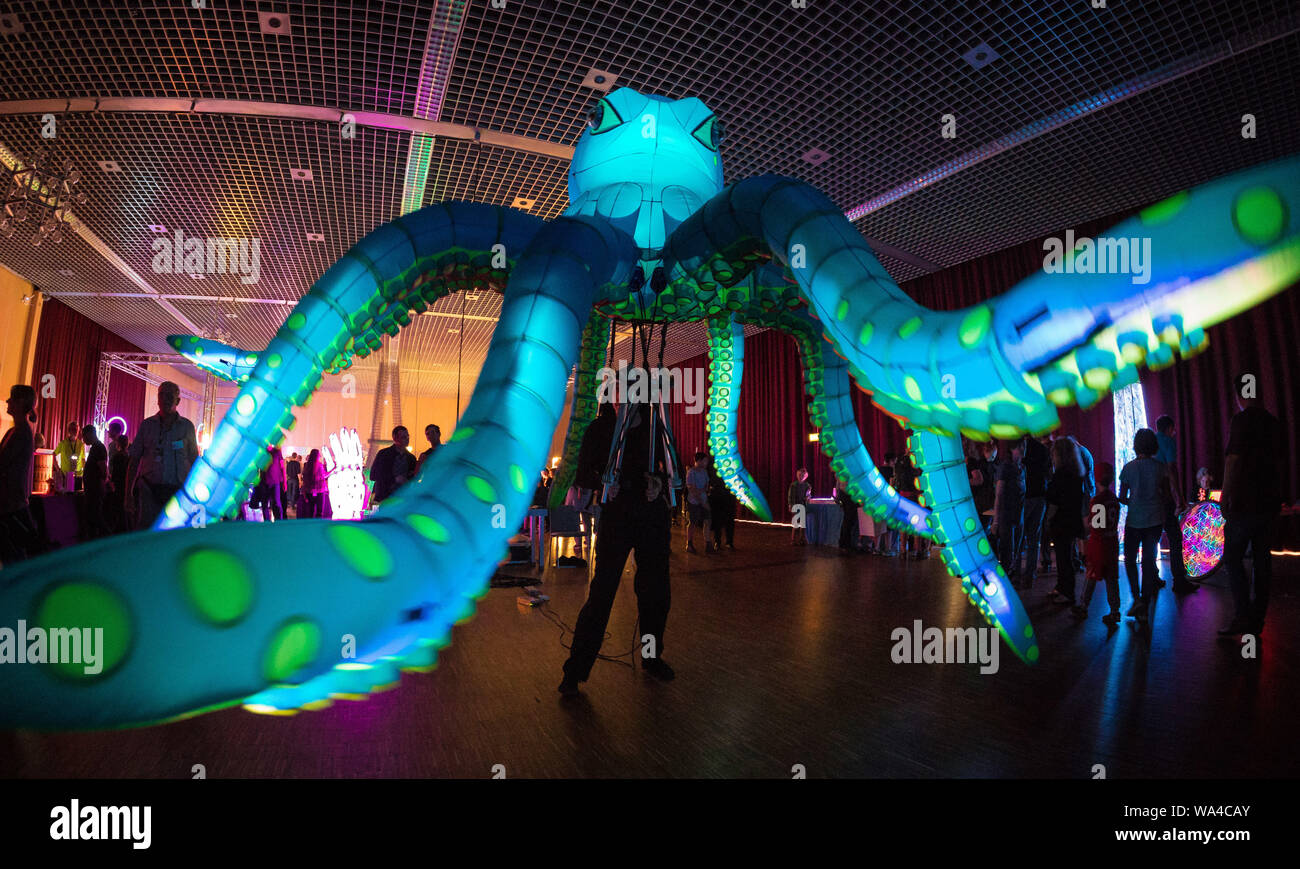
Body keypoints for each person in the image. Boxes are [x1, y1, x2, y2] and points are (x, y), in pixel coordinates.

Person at [560, 400, 673, 696]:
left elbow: (671, 468)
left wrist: (658, 484)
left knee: (655, 593)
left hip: (651, 517)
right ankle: (575, 670)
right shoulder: (602, 429)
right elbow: (584, 473)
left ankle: (651, 656)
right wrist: (606, 480)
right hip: (618, 516)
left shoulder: (655, 428)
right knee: (602, 593)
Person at [1218, 375, 1284, 637]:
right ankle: (1257, 621)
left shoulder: (1241, 420)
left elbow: (1233, 460)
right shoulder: (1273, 422)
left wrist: (1225, 495)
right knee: (1262, 560)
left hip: (1245, 502)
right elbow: (1279, 463)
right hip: (1269, 501)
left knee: (1232, 557)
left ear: (1238, 396)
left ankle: (1242, 615)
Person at [127, 382, 199, 529]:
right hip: (149, 493)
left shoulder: (187, 427)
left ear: (177, 401)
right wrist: (127, 494)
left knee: (174, 535)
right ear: (157, 398)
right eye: (161, 395)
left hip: (177, 493)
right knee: (148, 535)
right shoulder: (147, 426)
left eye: (169, 396)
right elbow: (134, 461)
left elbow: (194, 461)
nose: (165, 399)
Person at [1118, 428, 1167, 624]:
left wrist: (1133, 502)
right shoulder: (1160, 467)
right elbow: (1165, 494)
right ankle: (1145, 603)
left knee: (1130, 559)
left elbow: (1122, 497)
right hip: (1154, 520)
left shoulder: (1128, 468)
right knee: (1148, 562)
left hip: (1134, 521)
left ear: (1136, 445)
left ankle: (1136, 598)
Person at [1076, 462, 1122, 624]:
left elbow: (1095, 526)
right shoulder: (1114, 500)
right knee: (1112, 578)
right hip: (1112, 544)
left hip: (1099, 544)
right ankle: (1115, 610)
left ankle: (1083, 606)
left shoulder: (1097, 501)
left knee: (1091, 575)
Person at [1154, 415, 1195, 594]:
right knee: (1175, 538)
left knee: (1152, 537)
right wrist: (1179, 497)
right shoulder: (1168, 442)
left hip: (1152, 498)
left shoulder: (1151, 441)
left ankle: (1152, 578)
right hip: (1165, 497)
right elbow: (1172, 469)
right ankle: (1179, 580)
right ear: (1170, 427)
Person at [1045, 437, 1086, 605]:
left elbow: (1054, 501)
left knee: (1063, 558)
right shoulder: (1077, 473)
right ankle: (1062, 587)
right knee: (1066, 556)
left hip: (1061, 521)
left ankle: (1067, 592)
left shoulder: (1060, 475)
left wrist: (1048, 519)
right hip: (1072, 519)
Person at [0, 385, 38, 565]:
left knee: (14, 557)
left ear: (21, 402)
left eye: (12, 398)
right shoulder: (16, 431)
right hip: (10, 501)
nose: (7, 401)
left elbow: (4, 464)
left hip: (11, 502)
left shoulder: (21, 432)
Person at [1018, 433, 1051, 590]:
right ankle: (1030, 575)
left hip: (1025, 496)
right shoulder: (1043, 450)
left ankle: (1016, 572)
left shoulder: (1020, 447)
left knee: (1019, 536)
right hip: (1040, 495)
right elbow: (1048, 473)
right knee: (1034, 538)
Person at [990, 440, 1025, 583]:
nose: (1023, 449)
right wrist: (996, 521)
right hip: (1006, 516)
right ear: (1013, 449)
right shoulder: (1005, 467)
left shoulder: (1022, 468)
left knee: (1015, 550)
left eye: (1024, 446)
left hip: (1018, 515)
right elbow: (999, 495)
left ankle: (1010, 578)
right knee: (1007, 553)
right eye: (1020, 447)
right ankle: (1005, 582)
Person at [369, 425, 416, 503]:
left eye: (407, 436)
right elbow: (374, 475)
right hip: (386, 497)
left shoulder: (411, 458)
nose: (407, 439)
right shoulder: (384, 454)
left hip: (402, 498)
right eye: (403, 437)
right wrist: (395, 479)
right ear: (395, 438)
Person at [80, 424, 110, 539]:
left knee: (95, 516)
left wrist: (102, 481)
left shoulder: (98, 447)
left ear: (90, 434)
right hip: (93, 488)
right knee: (93, 517)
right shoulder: (96, 447)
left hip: (95, 489)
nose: (83, 439)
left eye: (84, 436)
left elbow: (103, 469)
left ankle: (107, 537)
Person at [684, 452, 713, 554]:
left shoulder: (704, 472)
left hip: (704, 500)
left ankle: (708, 543)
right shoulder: (691, 472)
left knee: (707, 520)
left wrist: (704, 491)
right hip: (694, 502)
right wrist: (702, 501)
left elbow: (706, 485)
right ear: (699, 461)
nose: (706, 463)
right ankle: (689, 544)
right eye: (705, 461)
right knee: (692, 523)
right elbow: (692, 490)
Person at [103, 421, 127, 533]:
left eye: (110, 430)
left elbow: (113, 465)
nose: (108, 432)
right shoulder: (113, 445)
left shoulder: (114, 447)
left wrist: (110, 479)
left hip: (116, 481)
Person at [707, 465, 737, 550]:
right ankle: (718, 542)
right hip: (717, 495)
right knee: (718, 520)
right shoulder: (713, 464)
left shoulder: (731, 464)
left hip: (728, 495)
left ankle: (729, 542)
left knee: (729, 520)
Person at [875, 452, 898, 556]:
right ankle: (888, 549)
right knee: (889, 526)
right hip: (889, 500)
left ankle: (876, 548)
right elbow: (892, 485)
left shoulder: (878, 469)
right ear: (892, 461)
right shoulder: (892, 471)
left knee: (879, 526)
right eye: (895, 461)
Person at [53, 421, 82, 492]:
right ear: (69, 430)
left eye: (76, 430)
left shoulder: (81, 444)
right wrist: (58, 469)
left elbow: (83, 459)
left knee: (76, 497)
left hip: (77, 475)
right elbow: (53, 454)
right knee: (65, 496)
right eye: (73, 429)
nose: (75, 431)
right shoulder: (63, 443)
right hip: (65, 475)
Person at [261, 445, 287, 521]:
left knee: (276, 503)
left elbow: (282, 468)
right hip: (264, 481)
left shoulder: (277, 452)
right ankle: (267, 522)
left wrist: (284, 481)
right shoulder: (262, 451)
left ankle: (279, 522)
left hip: (275, 481)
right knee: (265, 504)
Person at [300, 448, 326, 518]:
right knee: (319, 511)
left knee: (310, 510)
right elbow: (323, 476)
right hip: (319, 490)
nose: (320, 455)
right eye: (319, 454)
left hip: (309, 491)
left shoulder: (307, 465)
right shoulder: (319, 465)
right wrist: (333, 471)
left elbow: (304, 478)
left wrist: (304, 492)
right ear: (317, 455)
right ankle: (317, 526)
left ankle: (310, 526)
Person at [787, 468, 811, 546]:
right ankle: (793, 539)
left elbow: (808, 495)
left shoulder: (807, 485)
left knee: (802, 523)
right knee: (796, 523)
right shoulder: (794, 485)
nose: (801, 477)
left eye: (803, 475)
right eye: (800, 475)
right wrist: (790, 505)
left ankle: (801, 539)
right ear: (797, 475)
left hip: (803, 505)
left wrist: (808, 496)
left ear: (805, 476)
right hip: (795, 505)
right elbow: (790, 496)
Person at [834, 480, 859, 553]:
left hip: (845, 494)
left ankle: (844, 543)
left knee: (848, 520)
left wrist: (838, 496)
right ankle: (846, 544)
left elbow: (838, 484)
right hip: (849, 495)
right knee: (849, 521)